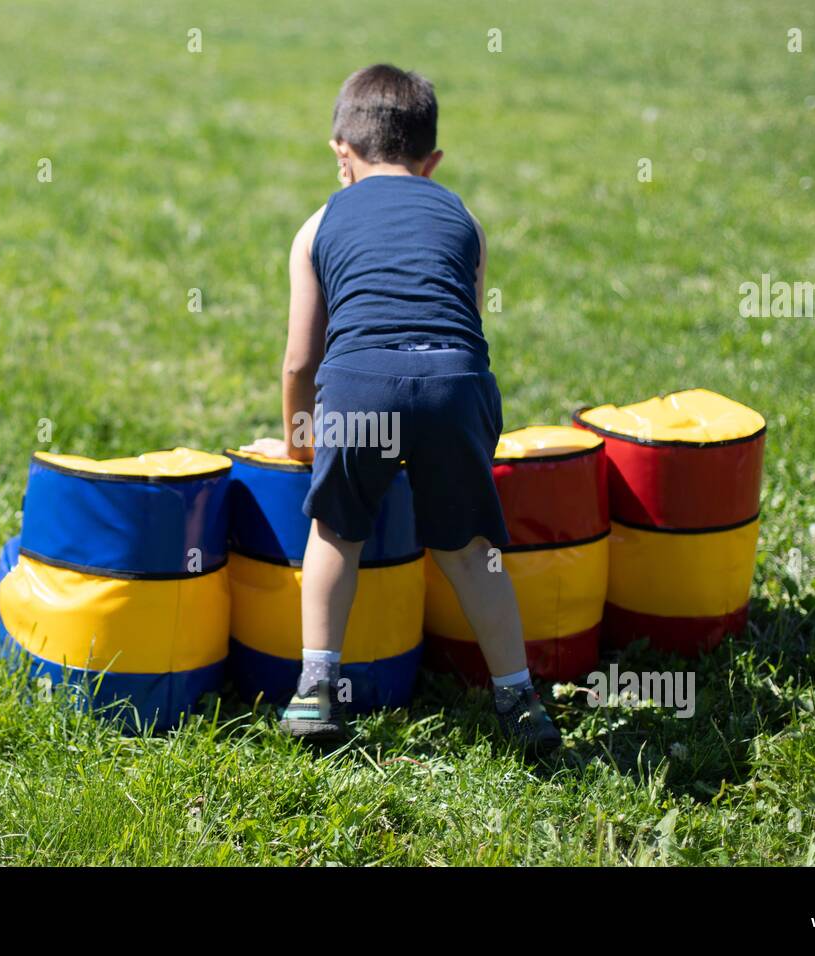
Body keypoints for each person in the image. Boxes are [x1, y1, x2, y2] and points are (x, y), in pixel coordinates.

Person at [242, 64, 561, 758]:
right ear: (433, 161)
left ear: (340, 152)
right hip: (456, 384)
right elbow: (466, 326)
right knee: (475, 551)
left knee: (335, 533)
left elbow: (301, 359)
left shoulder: (319, 223)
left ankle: (316, 689)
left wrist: (304, 436)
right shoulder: (464, 218)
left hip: (362, 386)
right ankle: (518, 696)